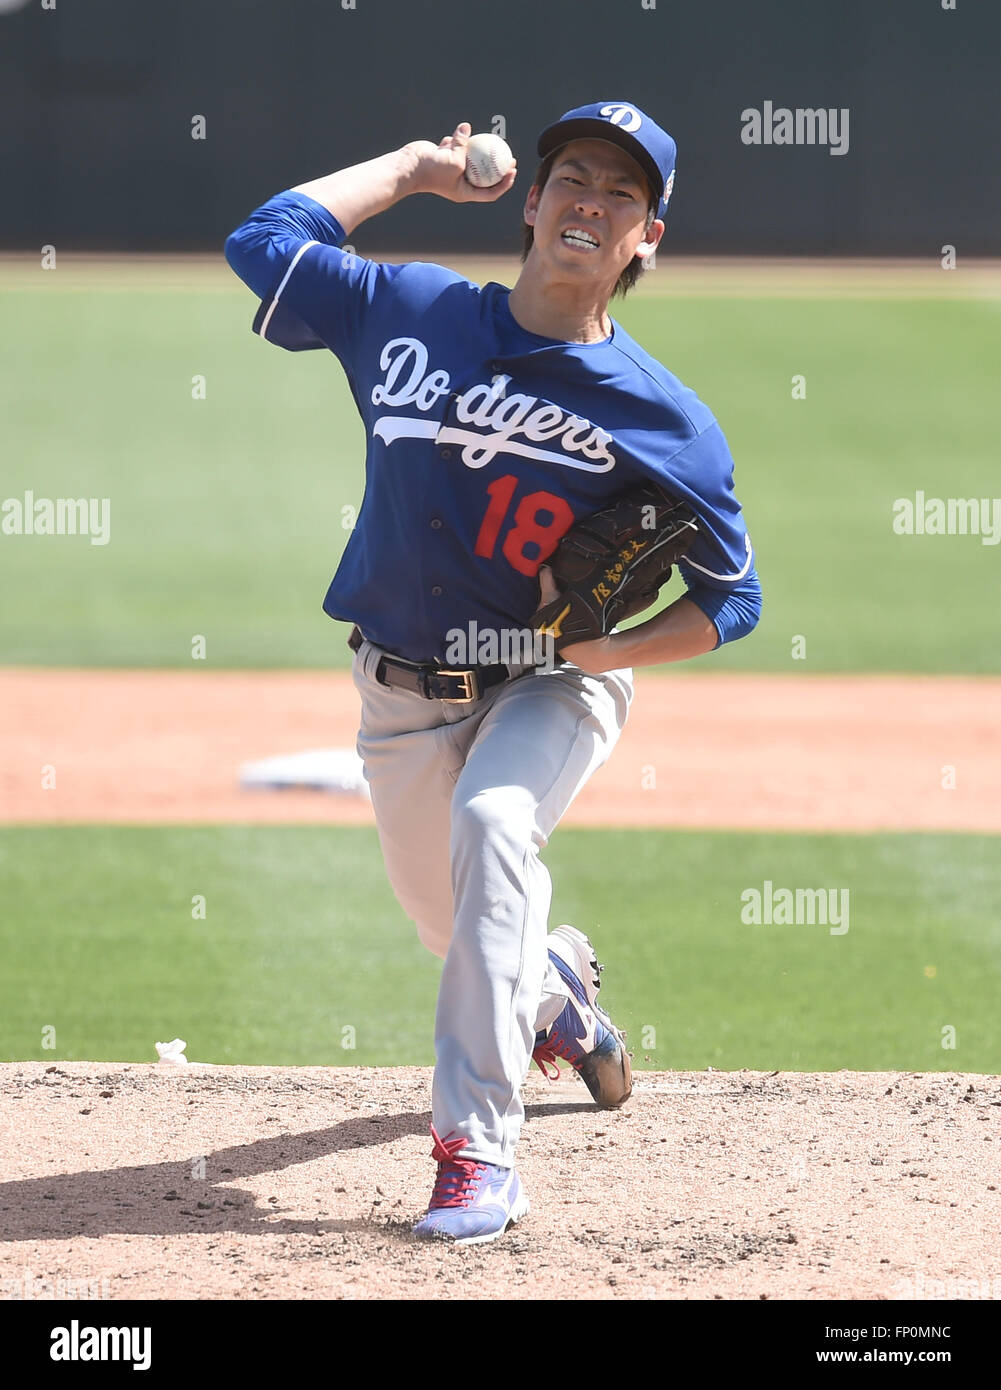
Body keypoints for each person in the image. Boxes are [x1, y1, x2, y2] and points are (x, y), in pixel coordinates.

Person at [225, 101, 761, 1245]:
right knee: (455, 921)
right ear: (529, 200)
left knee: (497, 823)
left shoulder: (665, 418)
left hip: (546, 684)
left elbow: (735, 600)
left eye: (622, 194)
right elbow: (263, 243)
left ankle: (476, 1154)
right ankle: (553, 993)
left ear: (645, 239)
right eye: (572, 175)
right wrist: (416, 169)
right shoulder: (410, 310)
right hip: (398, 694)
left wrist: (607, 650)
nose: (589, 201)